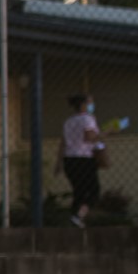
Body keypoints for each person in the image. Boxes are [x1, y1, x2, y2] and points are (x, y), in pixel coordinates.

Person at [57, 93, 102, 227]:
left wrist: (59, 162)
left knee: (78, 190)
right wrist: (106, 133)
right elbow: (89, 137)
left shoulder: (69, 121)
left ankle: (75, 218)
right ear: (83, 105)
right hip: (84, 158)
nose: (92, 105)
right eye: (90, 103)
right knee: (94, 190)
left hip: (69, 159)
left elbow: (63, 142)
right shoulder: (88, 119)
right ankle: (79, 215)